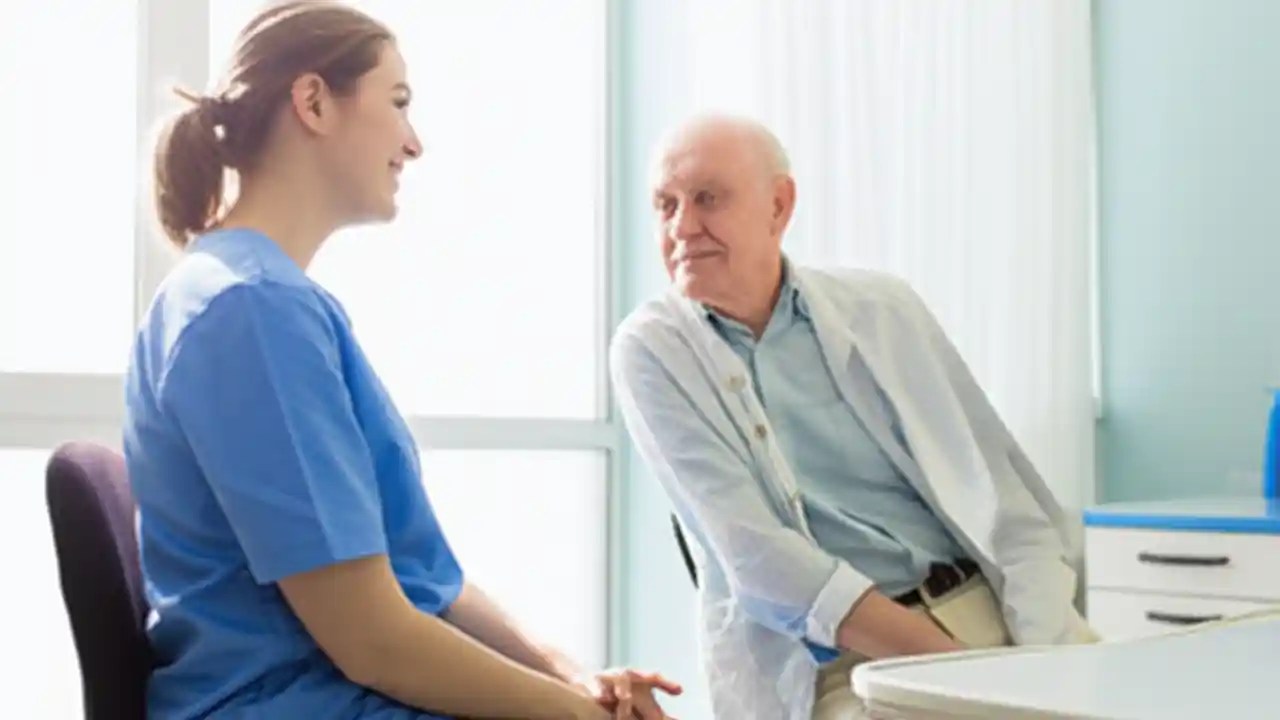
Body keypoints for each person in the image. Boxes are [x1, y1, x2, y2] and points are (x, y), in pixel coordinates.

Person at [124, 3, 680, 718]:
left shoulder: (267, 300)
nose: (413, 143)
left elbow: (426, 584)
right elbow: (372, 642)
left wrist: (573, 680)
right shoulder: (250, 311)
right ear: (314, 101)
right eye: (398, 102)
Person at [610, 115, 1098, 719]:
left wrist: (1053, 664)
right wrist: (957, 677)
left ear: (778, 206)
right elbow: (763, 565)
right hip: (845, 663)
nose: (682, 226)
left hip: (987, 613)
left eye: (708, 198)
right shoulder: (653, 350)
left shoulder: (883, 308)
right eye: (665, 204)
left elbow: (1008, 506)